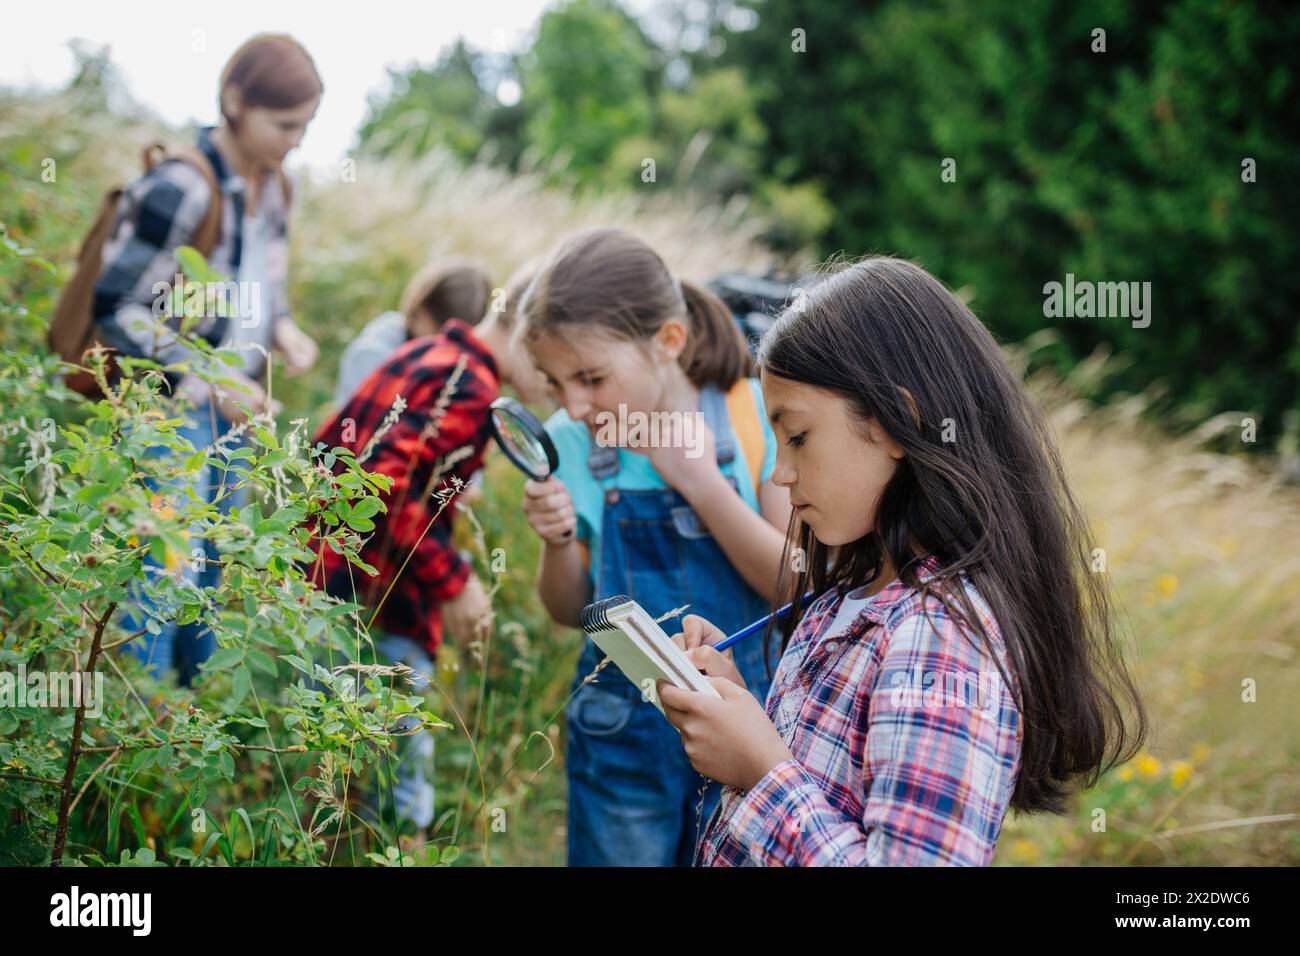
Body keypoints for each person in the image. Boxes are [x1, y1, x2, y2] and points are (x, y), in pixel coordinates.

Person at [654, 256, 1148, 866]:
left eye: (799, 436)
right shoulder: (848, 596)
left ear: (898, 420)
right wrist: (739, 711)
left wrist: (760, 773)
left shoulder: (942, 641)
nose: (780, 473)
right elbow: (829, 782)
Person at [517, 227, 792, 865]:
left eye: (590, 376)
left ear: (668, 342)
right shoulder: (571, 442)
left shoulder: (751, 414)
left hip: (747, 724)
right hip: (622, 735)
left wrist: (701, 482)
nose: (575, 404)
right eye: (554, 383)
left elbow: (790, 581)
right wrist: (556, 541)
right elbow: (569, 610)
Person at [97, 33, 322, 684]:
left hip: (239, 408)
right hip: (173, 410)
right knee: (167, 566)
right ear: (233, 101)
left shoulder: (278, 186)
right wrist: (203, 380)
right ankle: (138, 729)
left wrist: (283, 329)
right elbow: (117, 306)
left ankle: (191, 731)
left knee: (214, 564)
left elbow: (263, 283)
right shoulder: (180, 188)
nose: (295, 141)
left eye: (306, 128)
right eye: (284, 124)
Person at [311, 261, 545, 835]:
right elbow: (386, 482)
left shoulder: (427, 354)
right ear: (530, 335)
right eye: (561, 373)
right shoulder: (472, 384)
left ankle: (352, 835)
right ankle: (398, 840)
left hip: (339, 579)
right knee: (396, 738)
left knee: (343, 736)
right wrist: (454, 581)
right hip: (374, 593)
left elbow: (327, 446)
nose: (561, 391)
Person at [334, 257, 492, 406]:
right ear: (419, 308)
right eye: (440, 333)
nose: (447, 346)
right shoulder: (373, 355)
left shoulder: (459, 362)